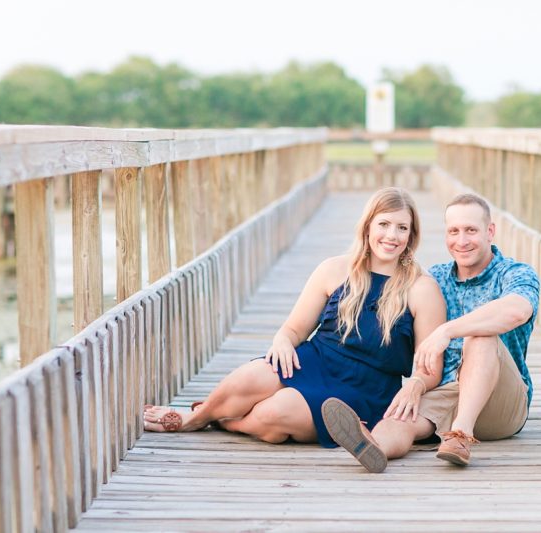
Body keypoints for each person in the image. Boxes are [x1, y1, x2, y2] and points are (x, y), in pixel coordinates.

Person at [143, 187, 446, 467]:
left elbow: (430, 366)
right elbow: (293, 329)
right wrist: (282, 341)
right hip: (314, 360)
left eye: (402, 227)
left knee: (273, 414)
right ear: (368, 226)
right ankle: (196, 417)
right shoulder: (333, 269)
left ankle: (226, 421)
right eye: (384, 224)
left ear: (412, 235)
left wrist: (417, 385)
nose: (392, 235)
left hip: (367, 388)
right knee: (250, 377)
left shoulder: (421, 289)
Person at [323, 192, 540, 470]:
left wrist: (447, 331)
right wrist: (413, 383)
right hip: (447, 391)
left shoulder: (515, 273)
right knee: (400, 417)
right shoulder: (433, 278)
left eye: (471, 231)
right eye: (454, 231)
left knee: (480, 336)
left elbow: (516, 310)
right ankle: (372, 446)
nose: (462, 241)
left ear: (490, 232)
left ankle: (460, 435)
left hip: (502, 403)